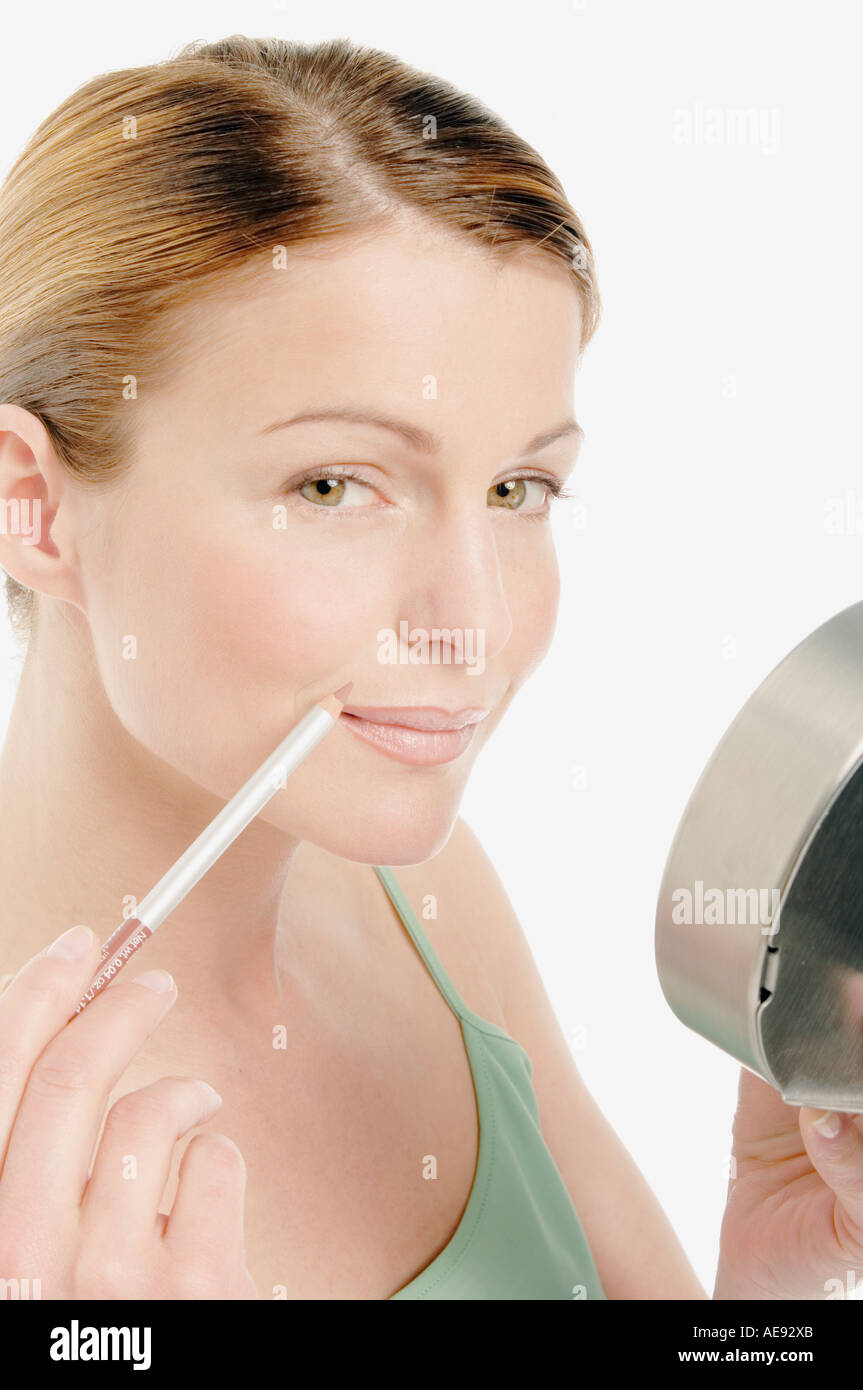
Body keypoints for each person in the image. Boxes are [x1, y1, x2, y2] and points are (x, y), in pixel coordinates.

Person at [0, 34, 858, 1301]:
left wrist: (768, 1293)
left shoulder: (428, 904)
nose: (476, 620)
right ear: (35, 506)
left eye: (518, 487)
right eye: (335, 483)